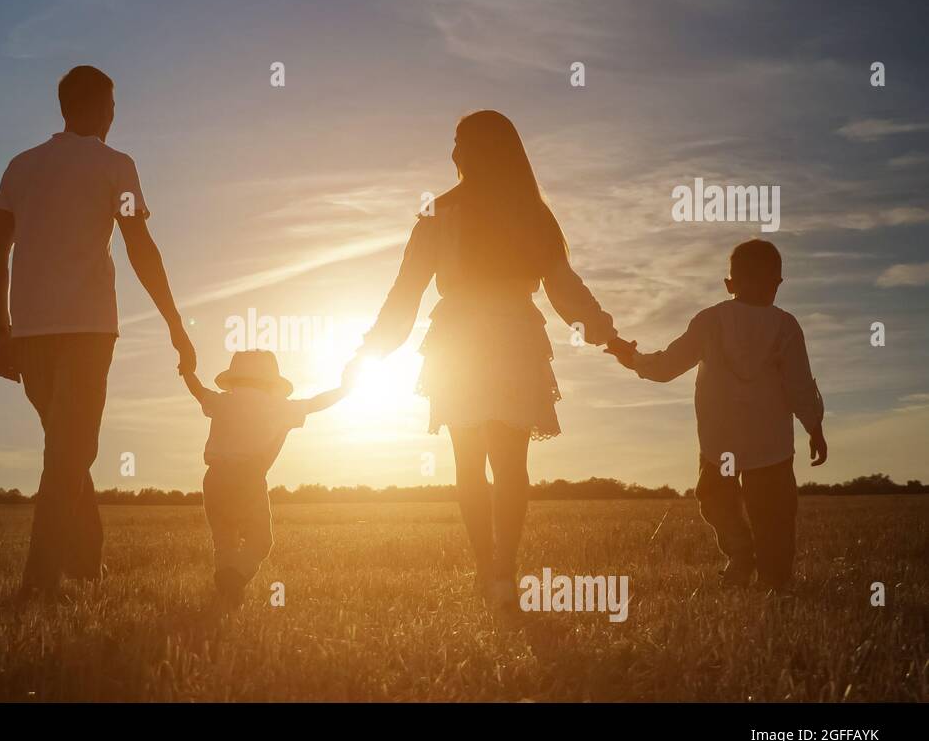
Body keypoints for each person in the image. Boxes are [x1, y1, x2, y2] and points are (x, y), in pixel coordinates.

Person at [359, 110, 633, 608]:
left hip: (465, 338)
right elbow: (565, 291)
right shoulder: (530, 213)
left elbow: (406, 294)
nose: (454, 152)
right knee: (508, 464)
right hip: (504, 337)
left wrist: (372, 350)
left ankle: (491, 572)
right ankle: (501, 572)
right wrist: (607, 335)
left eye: (461, 142)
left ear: (482, 149)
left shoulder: (442, 213)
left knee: (472, 462)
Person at [0, 65, 196, 599]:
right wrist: (175, 322)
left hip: (29, 334)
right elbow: (139, 246)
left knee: (67, 448)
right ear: (104, 108)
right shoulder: (116, 165)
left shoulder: (21, 166)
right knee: (68, 453)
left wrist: (2, 330)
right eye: (113, 106)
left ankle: (86, 563)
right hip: (87, 332)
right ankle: (39, 585)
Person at [612, 239, 826, 591]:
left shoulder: (710, 320)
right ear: (779, 282)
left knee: (715, 501)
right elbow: (799, 384)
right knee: (774, 516)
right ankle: (774, 579)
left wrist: (632, 358)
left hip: (719, 443)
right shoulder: (786, 326)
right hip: (770, 445)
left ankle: (741, 554)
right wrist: (814, 426)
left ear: (729, 284)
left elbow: (667, 366)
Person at [181, 351, 356, 606]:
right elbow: (316, 403)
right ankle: (235, 578)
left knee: (224, 539)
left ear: (235, 377)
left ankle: (227, 590)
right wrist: (345, 388)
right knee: (261, 541)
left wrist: (186, 370)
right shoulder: (279, 407)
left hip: (214, 478)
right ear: (271, 381)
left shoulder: (222, 402)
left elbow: (198, 391)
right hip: (248, 478)